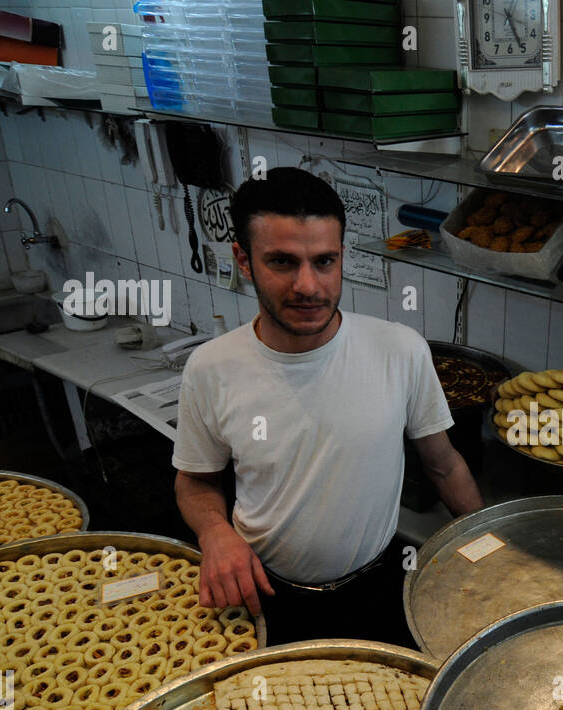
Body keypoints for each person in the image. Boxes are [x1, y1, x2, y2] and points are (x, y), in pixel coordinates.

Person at [172, 167, 483, 645]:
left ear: (341, 257)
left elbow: (443, 467)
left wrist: (490, 549)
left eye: (323, 261)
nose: (307, 286)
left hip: (381, 586)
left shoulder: (399, 350)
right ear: (243, 259)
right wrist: (214, 535)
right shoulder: (211, 368)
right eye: (281, 262)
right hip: (262, 594)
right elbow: (195, 480)